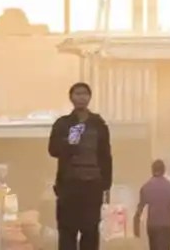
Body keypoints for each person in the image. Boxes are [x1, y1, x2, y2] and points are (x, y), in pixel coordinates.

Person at [48, 82, 113, 250]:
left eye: (85, 94)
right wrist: (69, 144)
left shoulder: (99, 125)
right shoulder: (63, 124)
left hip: (92, 185)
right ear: (71, 97)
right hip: (69, 185)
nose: (81, 97)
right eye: (77, 94)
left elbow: (105, 155)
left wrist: (106, 184)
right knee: (67, 230)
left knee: (90, 230)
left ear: (90, 97)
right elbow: (53, 150)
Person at [135, 160, 170, 250]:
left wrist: (136, 225)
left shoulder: (146, 187)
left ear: (152, 170)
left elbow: (139, 209)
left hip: (152, 226)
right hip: (166, 226)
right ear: (164, 170)